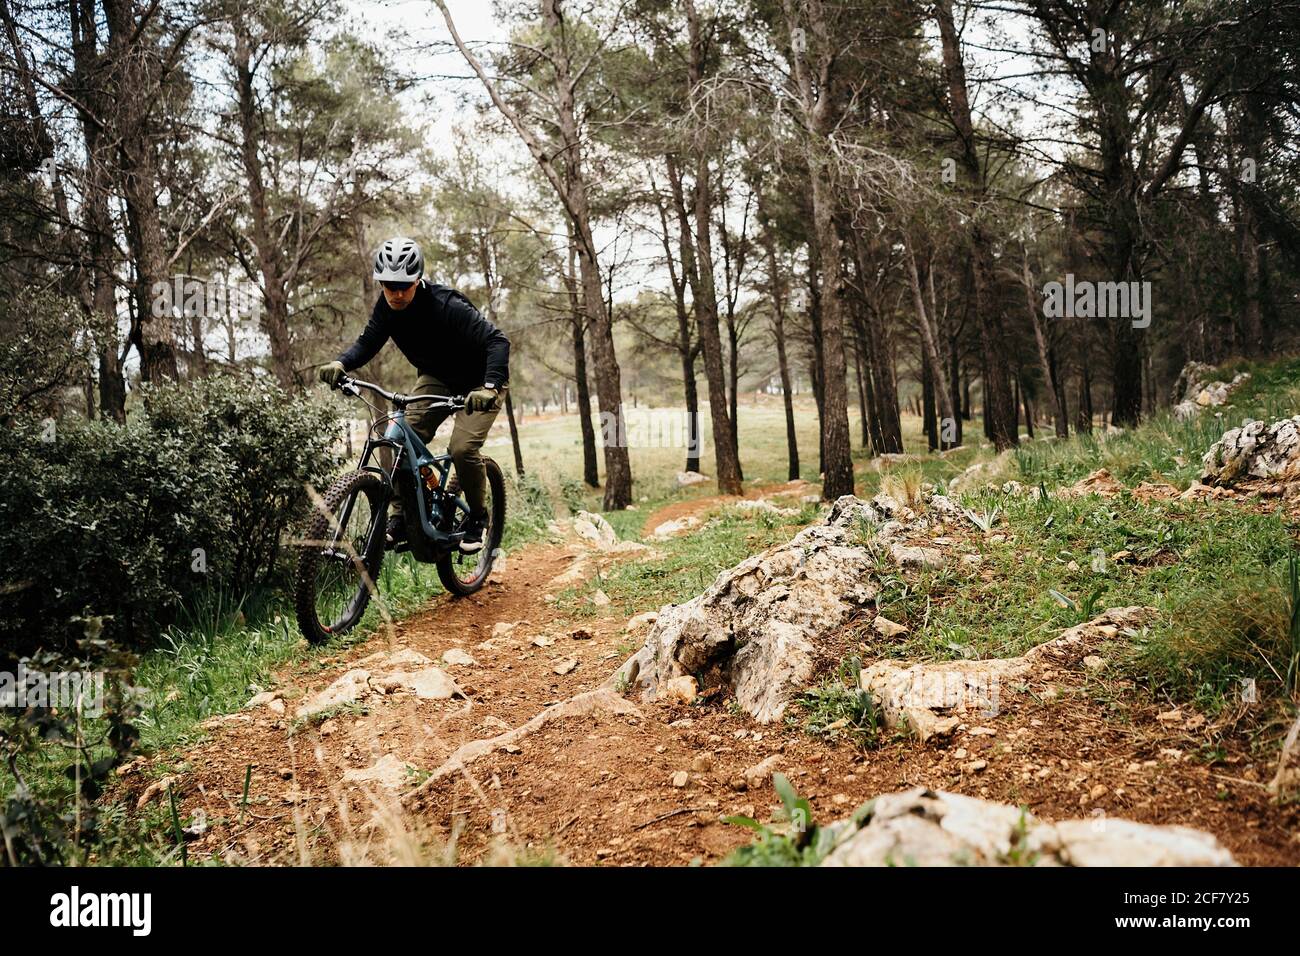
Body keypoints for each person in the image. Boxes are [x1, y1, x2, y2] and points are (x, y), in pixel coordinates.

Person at [318, 236, 509, 552]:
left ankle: (478, 517)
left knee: (462, 449)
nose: (395, 292)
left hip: (481, 384)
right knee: (395, 437)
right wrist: (342, 362)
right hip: (437, 379)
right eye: (388, 285)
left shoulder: (448, 306)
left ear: (418, 279)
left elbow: (498, 342)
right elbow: (368, 342)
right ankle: (400, 517)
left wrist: (489, 387)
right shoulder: (387, 308)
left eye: (403, 285)